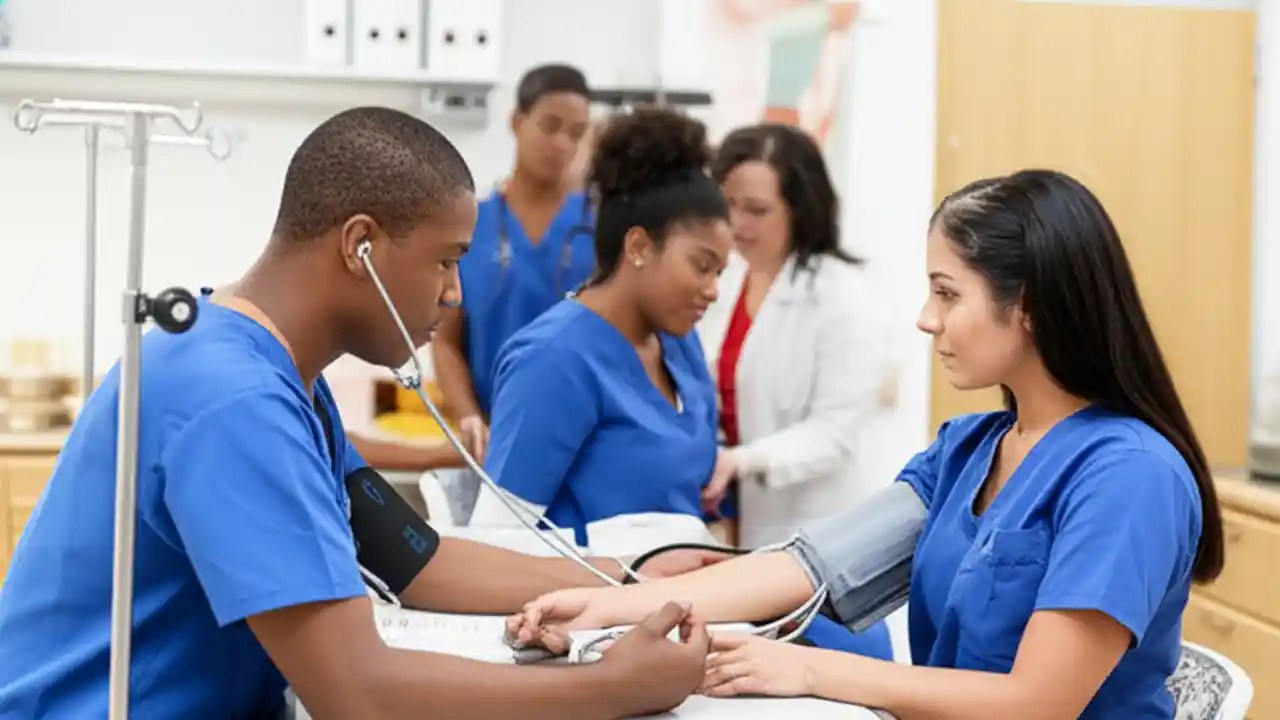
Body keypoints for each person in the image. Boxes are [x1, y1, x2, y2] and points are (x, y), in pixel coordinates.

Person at [0, 107, 722, 719]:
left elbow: (418, 561)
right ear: (360, 245)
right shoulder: (233, 400)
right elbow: (355, 693)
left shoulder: (273, 373)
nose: (454, 294)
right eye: (445, 260)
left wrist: (630, 584)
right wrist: (614, 687)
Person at [508, 169, 1226, 719]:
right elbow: (806, 567)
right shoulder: (970, 448)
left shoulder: (1130, 476)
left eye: (946, 294)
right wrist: (605, 605)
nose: (925, 319)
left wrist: (811, 672)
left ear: (1028, 306)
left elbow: (1035, 704)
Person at [467, 107, 731, 549]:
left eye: (719, 273)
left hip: (682, 595)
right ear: (640, 246)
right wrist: (627, 557)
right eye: (701, 266)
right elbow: (493, 546)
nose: (712, 290)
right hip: (595, 604)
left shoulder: (679, 344)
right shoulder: (554, 360)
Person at [698, 122, 887, 550]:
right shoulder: (725, 282)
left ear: (800, 209)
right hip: (734, 524)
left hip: (815, 527)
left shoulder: (842, 298)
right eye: (727, 204)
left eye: (756, 209)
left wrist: (741, 461)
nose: (736, 223)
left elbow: (833, 433)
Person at [432, 63, 596, 465]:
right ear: (516, 121)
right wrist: (469, 416)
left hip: (584, 443)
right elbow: (446, 340)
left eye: (576, 134)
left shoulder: (600, 228)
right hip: (492, 440)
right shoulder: (471, 225)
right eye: (550, 125)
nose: (561, 144)